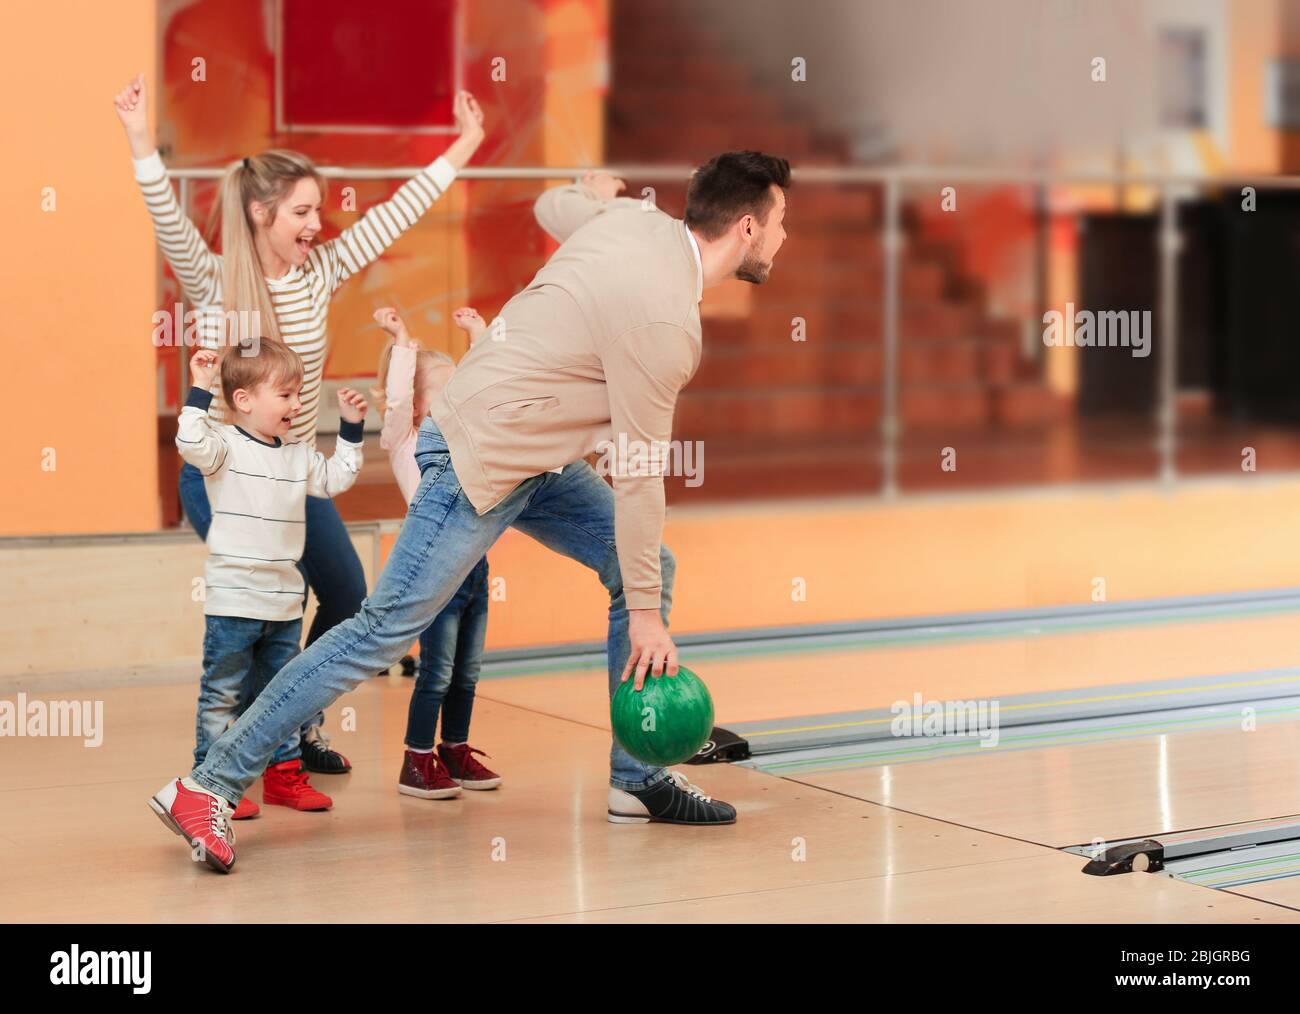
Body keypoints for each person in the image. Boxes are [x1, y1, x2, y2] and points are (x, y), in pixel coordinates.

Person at [151, 151, 791, 873]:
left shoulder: (631, 219)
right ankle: (206, 783)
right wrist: (646, 613)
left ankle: (636, 780)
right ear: (746, 227)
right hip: (477, 456)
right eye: (779, 224)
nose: (782, 238)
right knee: (381, 631)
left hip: (533, 457)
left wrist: (586, 192)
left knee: (645, 565)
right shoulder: (666, 325)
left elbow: (552, 210)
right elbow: (642, 476)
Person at [113, 72, 485, 774]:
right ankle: (248, 757)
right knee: (260, 620)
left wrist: (463, 144)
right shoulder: (216, 279)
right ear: (260, 214)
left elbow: (393, 214)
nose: (318, 225)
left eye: (318, 211)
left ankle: (292, 728)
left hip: (293, 472)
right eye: (302, 213)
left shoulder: (320, 272)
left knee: (347, 600)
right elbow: (166, 215)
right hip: (223, 476)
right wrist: (138, 137)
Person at [164, 341, 367, 847]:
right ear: (245, 399)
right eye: (286, 395)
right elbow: (189, 441)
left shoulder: (298, 456)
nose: (297, 405)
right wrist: (201, 386)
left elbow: (338, 477)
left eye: (299, 395)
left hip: (283, 603)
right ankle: (210, 783)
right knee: (223, 693)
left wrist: (350, 427)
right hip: (235, 602)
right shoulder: (223, 447)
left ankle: (283, 775)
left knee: (284, 694)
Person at [373, 306, 501, 798]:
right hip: (435, 568)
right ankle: (417, 758)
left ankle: (454, 749)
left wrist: (480, 337)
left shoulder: (466, 438)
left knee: (467, 671)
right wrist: (404, 339)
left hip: (474, 564)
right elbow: (400, 397)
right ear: (419, 407)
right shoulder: (405, 437)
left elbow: (483, 389)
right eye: (445, 392)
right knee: (437, 670)